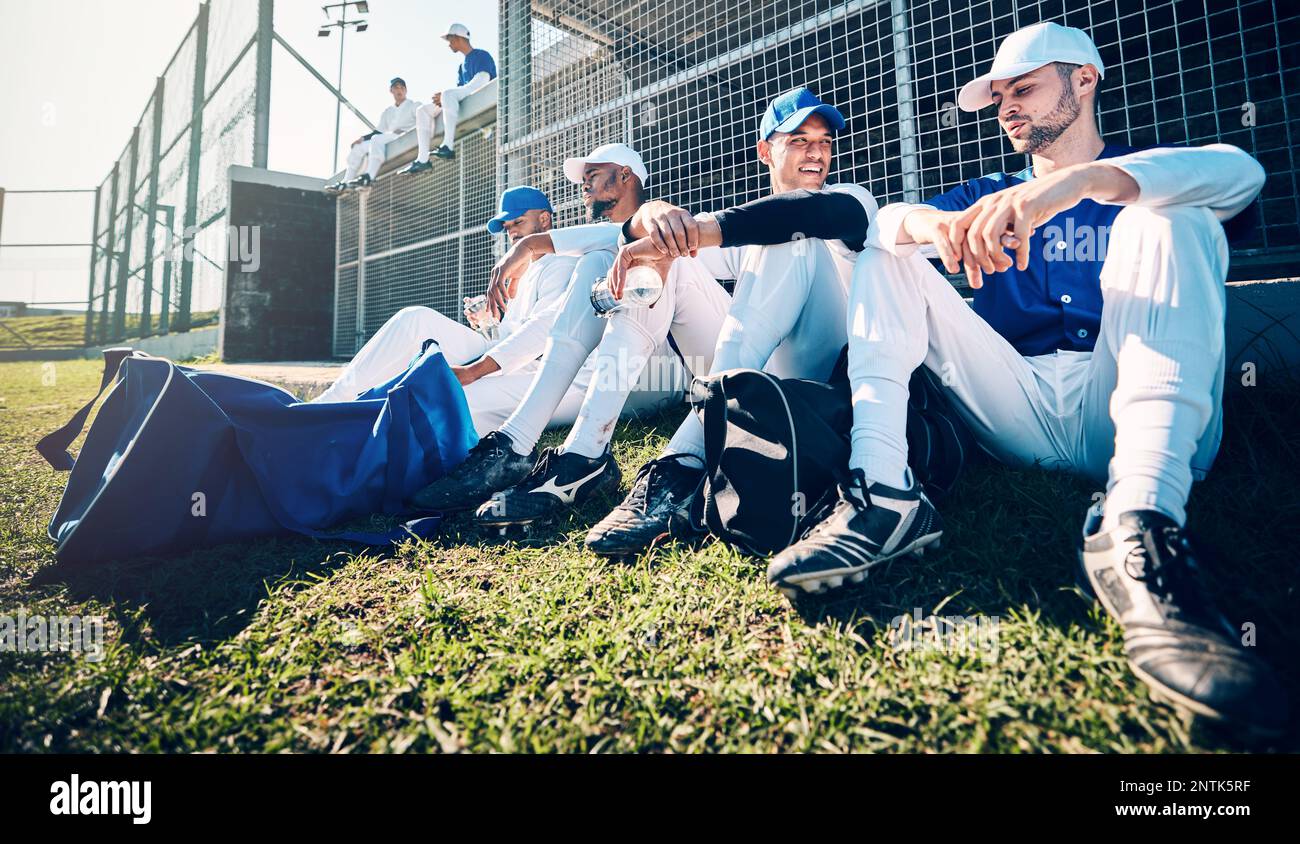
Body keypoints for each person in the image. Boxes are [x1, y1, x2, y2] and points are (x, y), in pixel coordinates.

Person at [766, 22, 1286, 733]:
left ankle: (1139, 525)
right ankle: (884, 496)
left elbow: (1243, 172)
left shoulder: (1147, 171)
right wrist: (932, 226)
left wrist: (1083, 184)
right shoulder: (988, 192)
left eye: (1025, 90)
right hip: (1023, 406)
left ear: (1083, 80)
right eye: (1001, 97)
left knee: (1169, 219)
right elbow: (882, 222)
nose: (1008, 108)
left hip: (1134, 406)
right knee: (889, 247)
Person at [583, 88, 879, 557]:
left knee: (793, 232)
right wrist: (651, 215)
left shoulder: (849, 199)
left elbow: (804, 213)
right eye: (799, 139)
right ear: (765, 151)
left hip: (832, 380)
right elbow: (652, 242)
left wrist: (690, 231)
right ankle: (591, 454)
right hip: (758, 380)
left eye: (824, 141)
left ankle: (679, 465)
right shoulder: (748, 232)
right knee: (671, 257)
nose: (817, 151)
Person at [409, 143, 726, 528]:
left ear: (625, 175)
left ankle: (572, 451)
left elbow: (627, 238)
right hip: (606, 368)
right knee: (596, 260)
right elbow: (610, 240)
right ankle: (522, 443)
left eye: (591, 176)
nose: (583, 186)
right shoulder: (589, 249)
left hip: (664, 369)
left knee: (645, 253)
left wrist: (531, 244)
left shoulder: (683, 224)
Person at [315, 186, 593, 436]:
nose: (513, 233)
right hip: (502, 357)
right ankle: (338, 403)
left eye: (518, 222)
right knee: (414, 324)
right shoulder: (527, 267)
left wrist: (477, 369)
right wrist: (487, 322)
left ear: (544, 219)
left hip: (535, 371)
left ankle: (337, 409)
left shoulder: (562, 263)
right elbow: (513, 333)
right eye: (508, 227)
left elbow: (544, 336)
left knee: (425, 346)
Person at [401, 22, 496, 173]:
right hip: (463, 94)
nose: (449, 44)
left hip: (480, 90)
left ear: (458, 38)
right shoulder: (461, 66)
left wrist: (447, 95)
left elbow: (482, 81)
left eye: (450, 39)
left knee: (447, 94)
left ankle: (448, 147)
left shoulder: (481, 54)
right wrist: (445, 98)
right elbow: (458, 91)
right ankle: (422, 160)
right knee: (422, 110)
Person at [325, 78, 421, 193]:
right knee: (358, 147)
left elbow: (423, 114)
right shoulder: (388, 111)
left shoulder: (413, 105)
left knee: (376, 140)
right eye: (396, 88)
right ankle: (346, 183)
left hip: (404, 135)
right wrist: (362, 138)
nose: (399, 90)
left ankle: (369, 178)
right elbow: (379, 132)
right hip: (387, 137)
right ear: (391, 91)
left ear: (406, 90)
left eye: (402, 87)